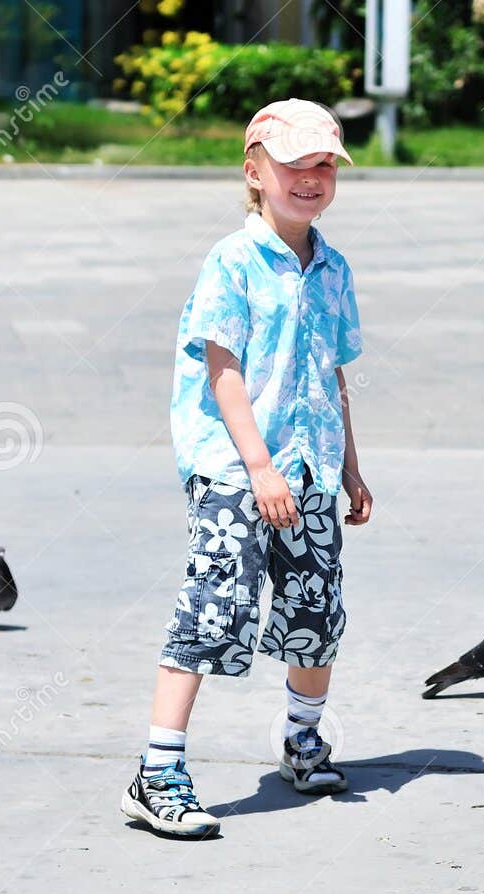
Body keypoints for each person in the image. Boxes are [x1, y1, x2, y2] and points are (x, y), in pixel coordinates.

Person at [121, 99, 373, 840]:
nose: (310, 178)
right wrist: (258, 466)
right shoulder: (232, 261)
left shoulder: (331, 268)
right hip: (235, 467)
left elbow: (331, 376)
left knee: (316, 612)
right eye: (293, 164)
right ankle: (157, 772)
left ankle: (301, 739)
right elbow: (221, 368)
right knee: (215, 608)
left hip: (312, 467)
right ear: (254, 172)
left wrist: (351, 468)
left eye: (323, 165)